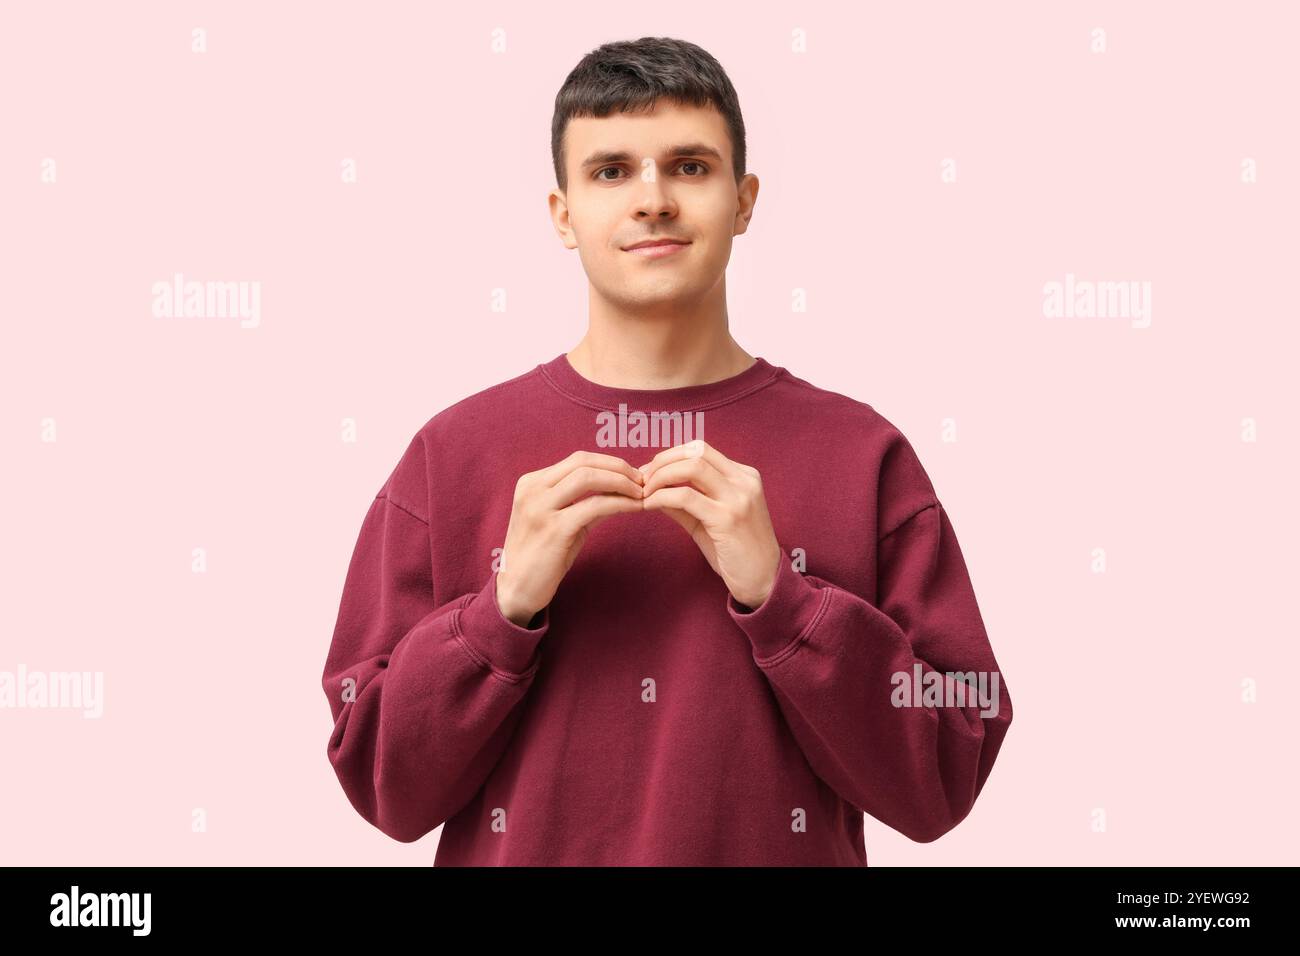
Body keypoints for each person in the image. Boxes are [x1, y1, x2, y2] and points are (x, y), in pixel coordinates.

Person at [321, 36, 1013, 866]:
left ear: (744, 200)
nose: (652, 200)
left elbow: (949, 769)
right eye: (611, 171)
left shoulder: (863, 454)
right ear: (563, 214)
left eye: (689, 166)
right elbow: (380, 785)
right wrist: (499, 614)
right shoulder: (452, 454)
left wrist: (787, 604)